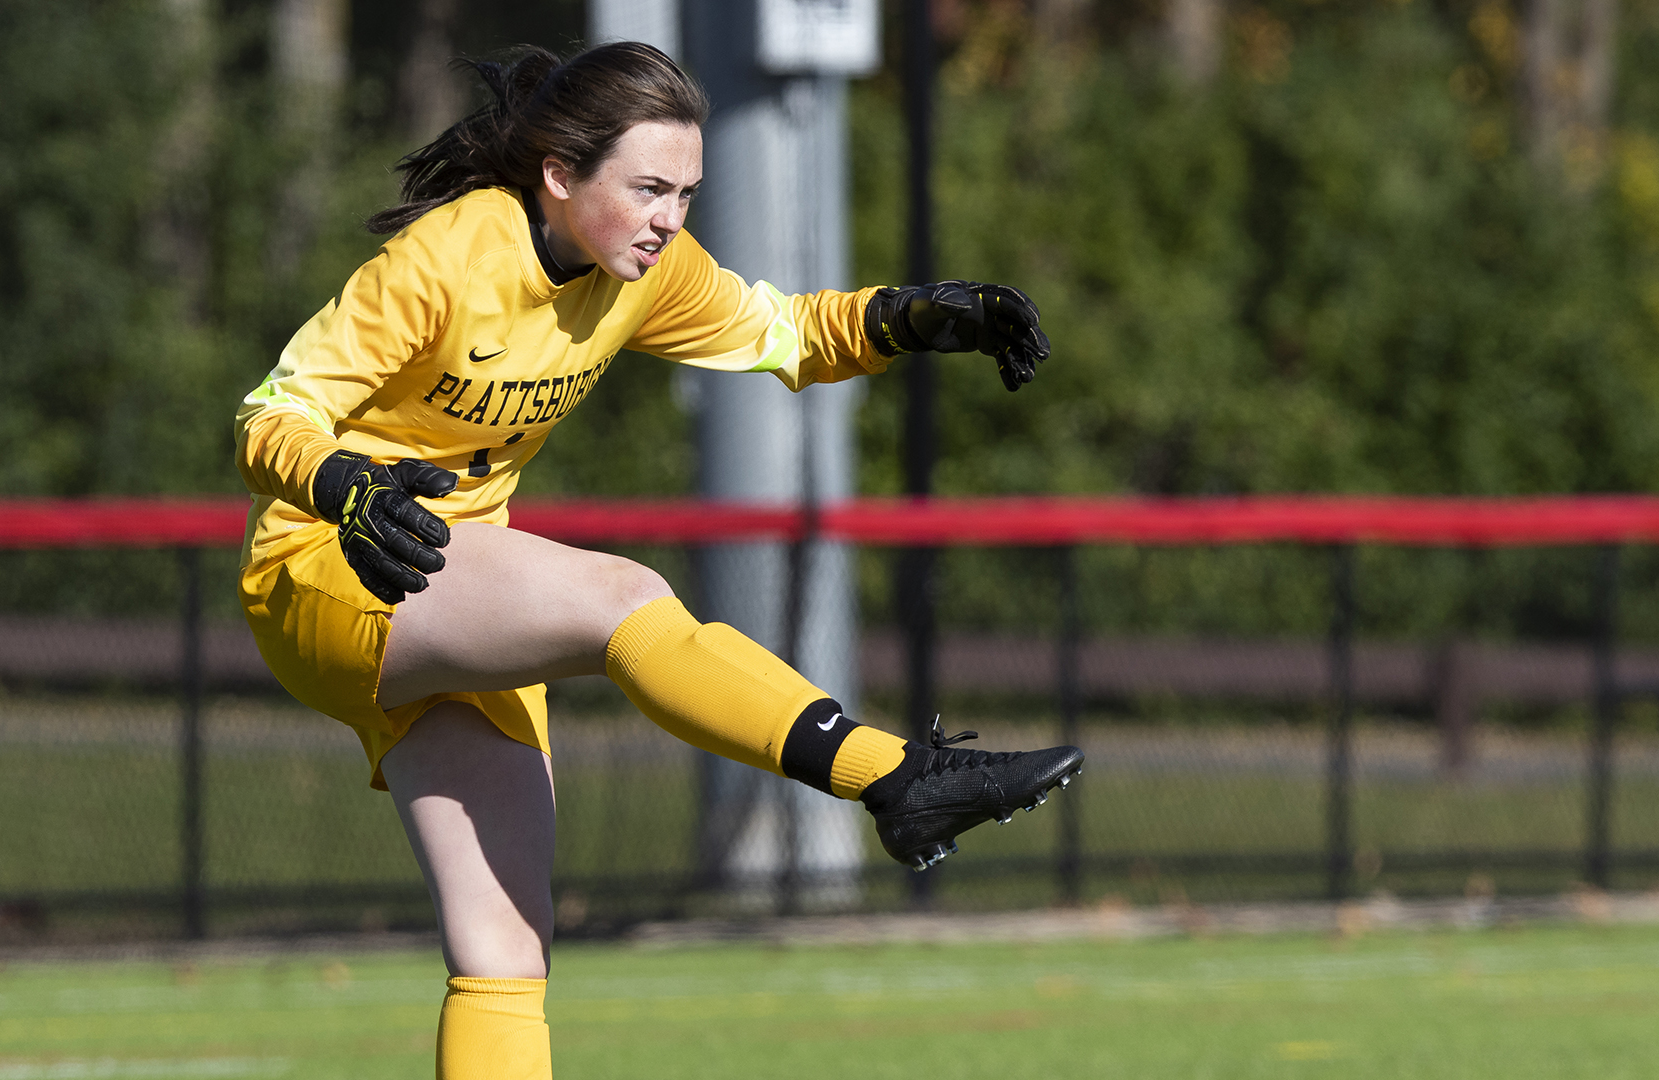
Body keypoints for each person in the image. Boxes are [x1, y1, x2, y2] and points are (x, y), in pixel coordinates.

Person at [233, 42, 1083, 1080]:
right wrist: (345, 484)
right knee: (624, 597)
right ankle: (900, 778)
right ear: (559, 173)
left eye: (685, 193)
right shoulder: (449, 256)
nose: (670, 218)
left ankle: (903, 784)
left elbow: (783, 334)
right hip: (328, 564)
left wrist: (905, 319)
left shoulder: (647, 272)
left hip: (456, 601)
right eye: (647, 189)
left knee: (505, 953)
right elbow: (270, 415)